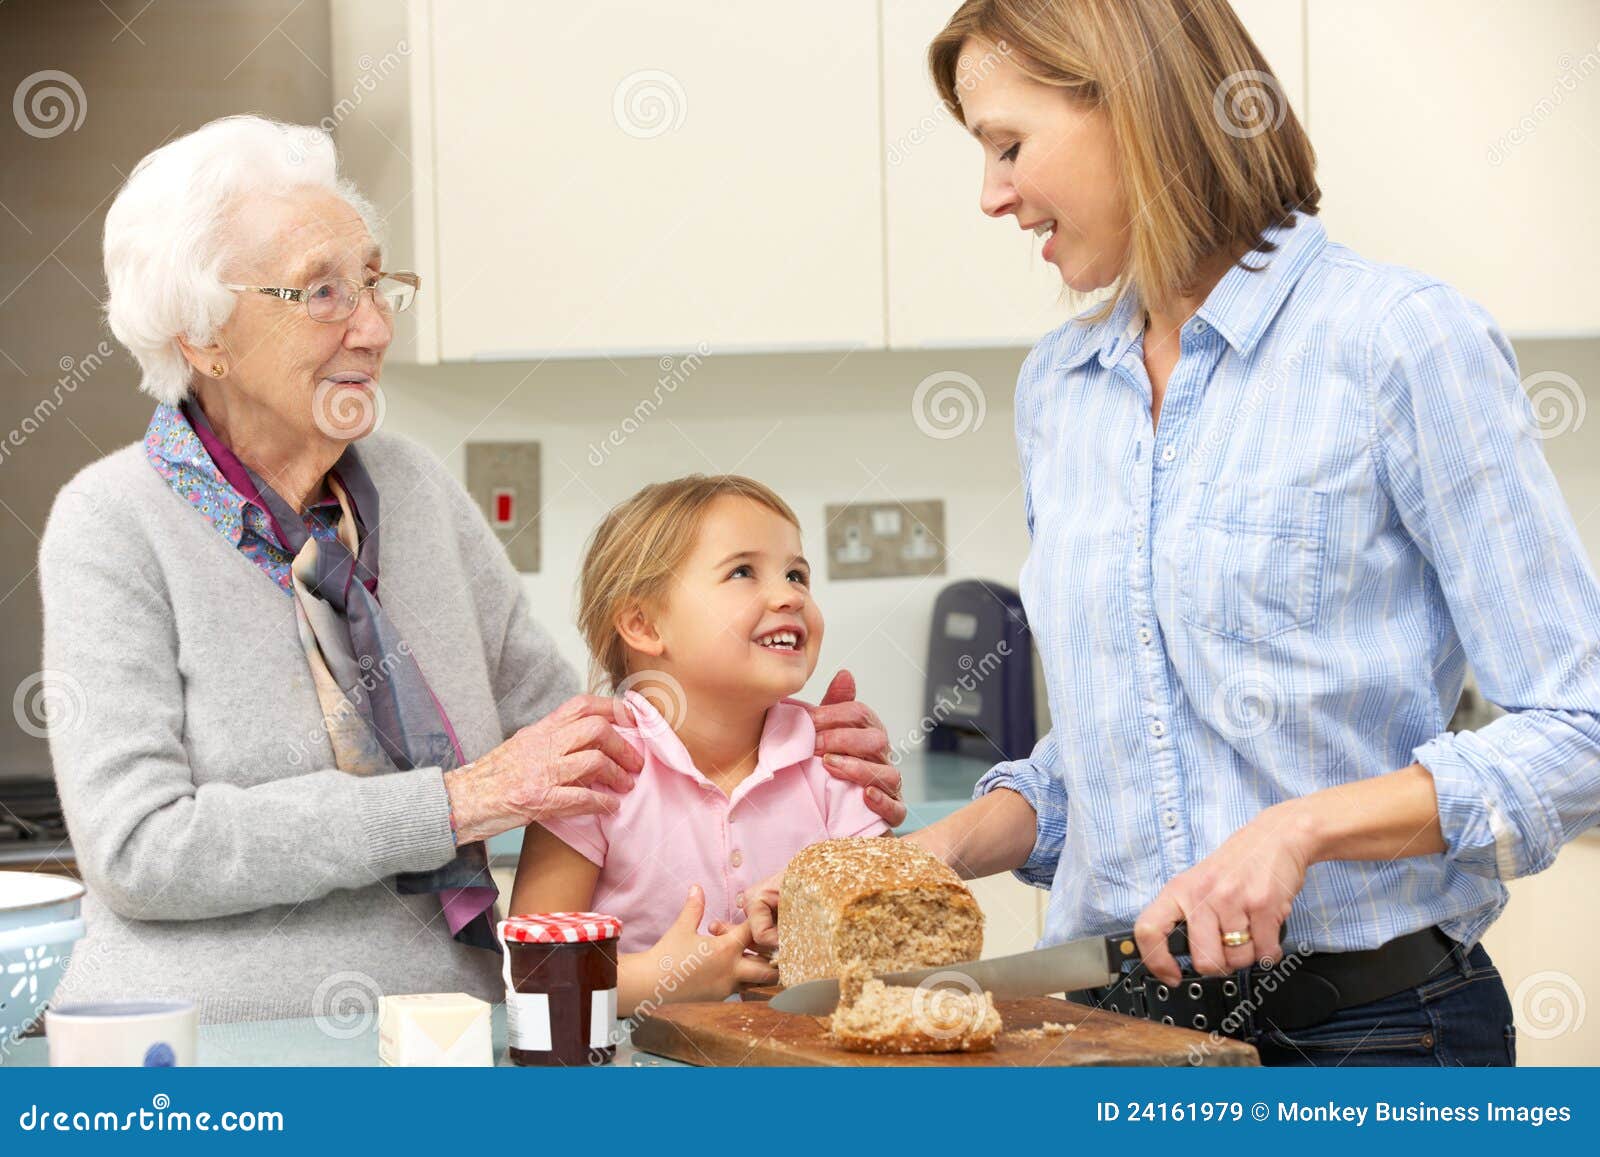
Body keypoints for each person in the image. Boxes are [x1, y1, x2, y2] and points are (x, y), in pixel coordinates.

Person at [756, 0, 1599, 1066]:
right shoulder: (1060, 386)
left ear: (1137, 109)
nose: (991, 196)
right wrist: (926, 856)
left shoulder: (1397, 343)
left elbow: (1580, 721)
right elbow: (1116, 756)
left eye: (1010, 145)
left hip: (1373, 1036)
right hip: (1112, 1035)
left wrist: (1300, 830)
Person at [40, 115, 902, 1023]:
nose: (373, 327)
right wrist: (453, 802)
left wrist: (786, 746)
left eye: (374, 284)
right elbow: (138, 851)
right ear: (201, 334)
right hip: (213, 1044)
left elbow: (581, 744)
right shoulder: (113, 522)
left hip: (451, 1029)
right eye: (323, 292)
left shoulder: (413, 490)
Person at [510, 476, 890, 1013]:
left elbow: (887, 938)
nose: (789, 596)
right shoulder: (594, 767)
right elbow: (536, 974)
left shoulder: (833, 759)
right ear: (642, 624)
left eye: (797, 574)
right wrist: (659, 978)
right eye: (742, 572)